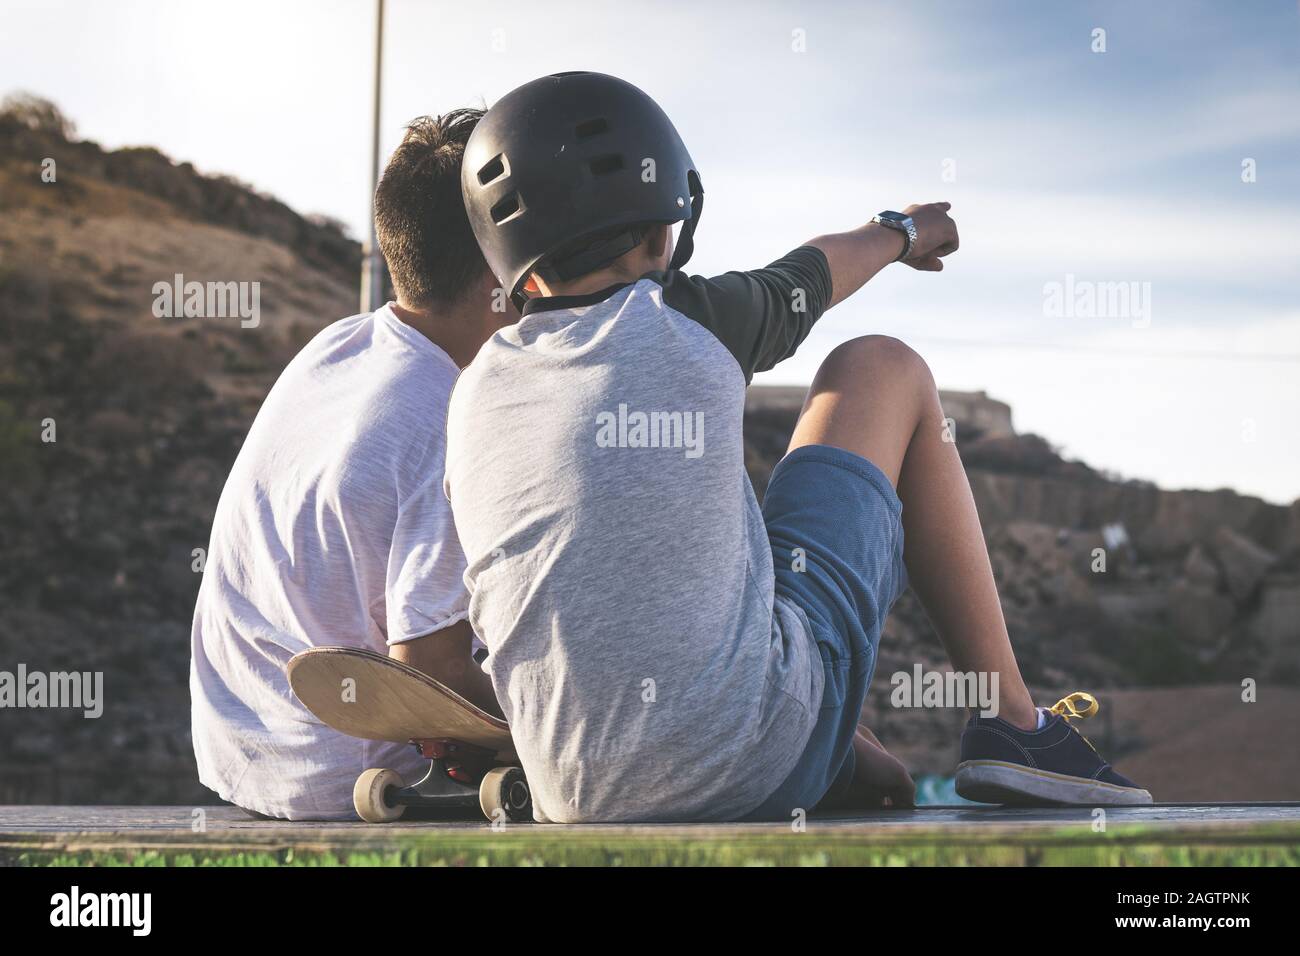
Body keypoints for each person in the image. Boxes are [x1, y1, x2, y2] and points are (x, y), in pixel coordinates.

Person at [447, 72, 1151, 822]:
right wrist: (904, 232)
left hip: (572, 792)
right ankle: (1015, 724)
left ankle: (813, 735)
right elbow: (811, 274)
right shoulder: (690, 319)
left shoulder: (472, 397)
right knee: (882, 366)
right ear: (663, 232)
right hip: (756, 764)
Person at [190, 109, 510, 820]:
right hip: (354, 785)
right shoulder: (449, 416)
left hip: (241, 756)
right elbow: (429, 674)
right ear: (505, 269)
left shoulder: (337, 347)